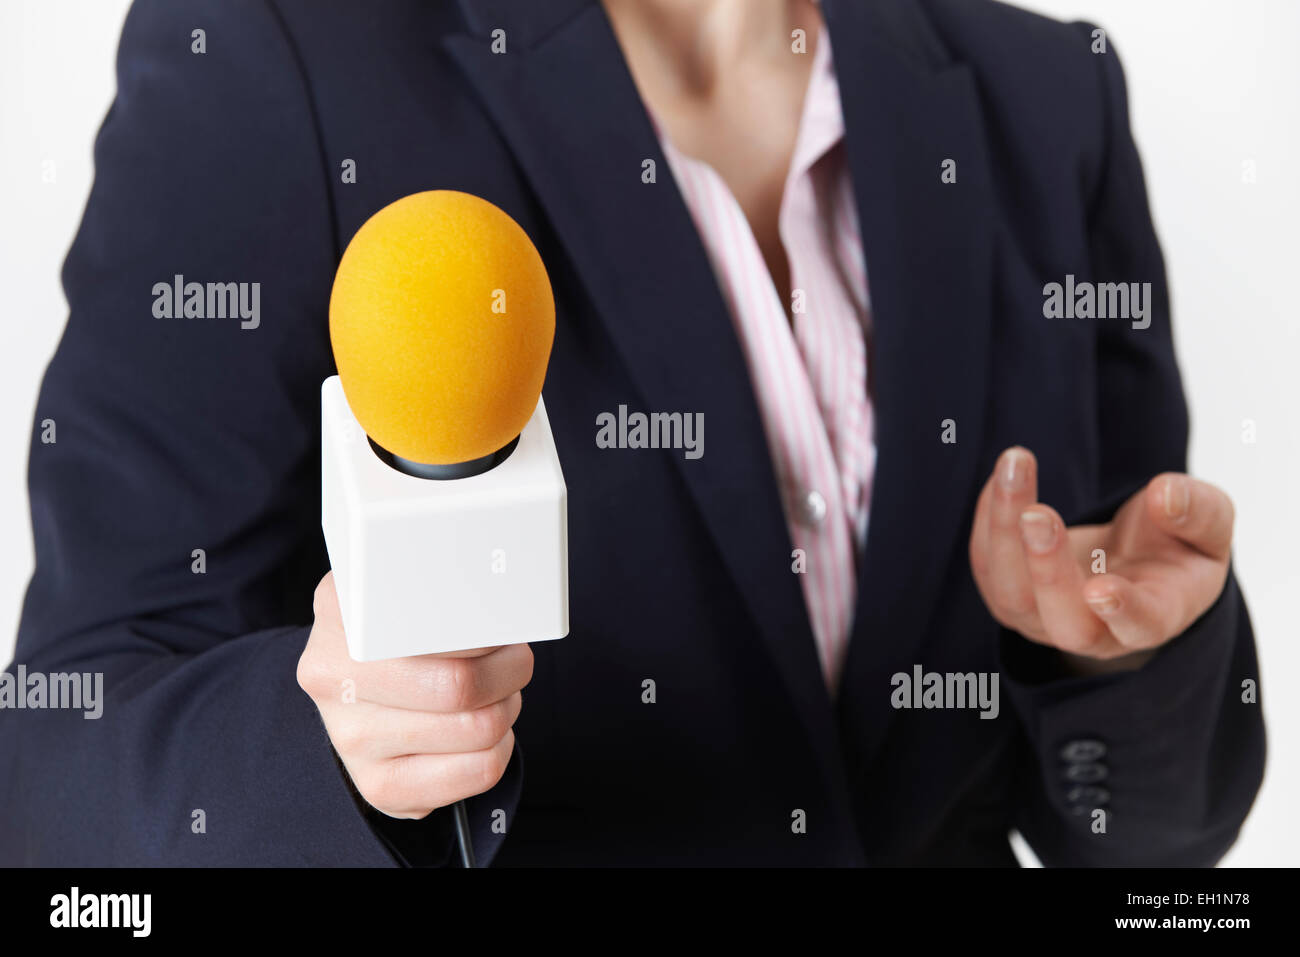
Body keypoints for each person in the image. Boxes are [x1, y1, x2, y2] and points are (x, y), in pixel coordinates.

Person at [0, 0, 1265, 866]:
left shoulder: (1047, 96)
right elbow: (66, 745)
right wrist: (330, 750)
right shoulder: (278, 57)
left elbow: (1151, 846)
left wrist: (1118, 666)